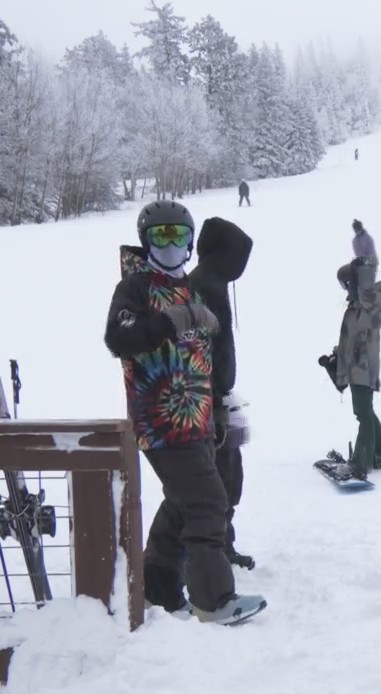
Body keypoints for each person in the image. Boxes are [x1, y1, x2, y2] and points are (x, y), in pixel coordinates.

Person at [104, 200, 266, 625]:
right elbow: (118, 339)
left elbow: (203, 359)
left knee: (183, 501)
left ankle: (157, 585)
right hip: (161, 419)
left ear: (191, 242)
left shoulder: (191, 289)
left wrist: (213, 412)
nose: (171, 244)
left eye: (179, 235)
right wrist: (171, 320)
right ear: (146, 240)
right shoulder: (137, 288)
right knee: (209, 502)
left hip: (196, 416)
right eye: (161, 236)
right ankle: (213, 601)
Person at [187, 217, 255, 570]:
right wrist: (212, 396)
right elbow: (202, 348)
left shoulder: (214, 281)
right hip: (207, 398)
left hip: (218, 396)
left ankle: (222, 546)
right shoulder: (204, 285)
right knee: (217, 481)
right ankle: (207, 554)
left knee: (228, 475)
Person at [331, 255, 381, 479]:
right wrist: (337, 357)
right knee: (366, 411)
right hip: (356, 365)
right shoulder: (356, 306)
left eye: (347, 283)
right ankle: (380, 455)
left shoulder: (371, 300)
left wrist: (364, 272)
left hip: (364, 366)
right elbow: (352, 337)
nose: (345, 288)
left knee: (363, 413)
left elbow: (367, 292)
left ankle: (361, 461)